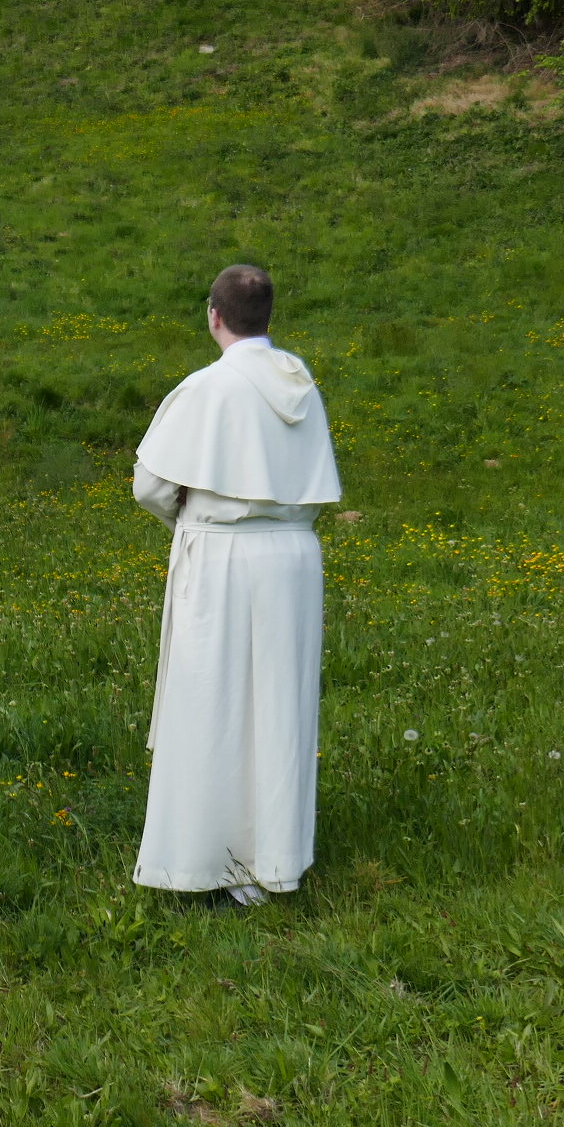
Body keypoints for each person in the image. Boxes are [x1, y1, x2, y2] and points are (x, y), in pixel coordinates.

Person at [128, 264, 342, 908]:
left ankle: (206, 863)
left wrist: (193, 516)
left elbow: (152, 486)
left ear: (212, 315)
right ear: (267, 317)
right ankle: (273, 864)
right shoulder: (302, 386)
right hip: (294, 558)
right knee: (279, 708)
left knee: (213, 705)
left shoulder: (206, 389)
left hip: (224, 556)